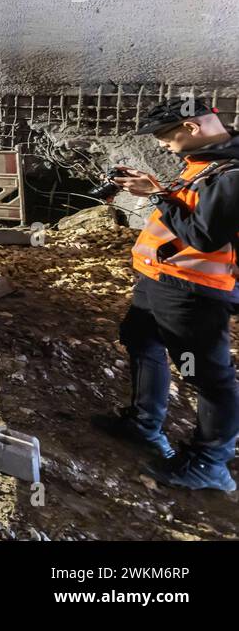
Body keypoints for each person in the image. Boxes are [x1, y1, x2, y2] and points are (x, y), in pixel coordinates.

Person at [91, 96, 239, 491]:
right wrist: (159, 188)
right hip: (162, 279)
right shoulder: (208, 162)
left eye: (165, 137)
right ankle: (144, 424)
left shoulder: (232, 173)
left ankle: (211, 463)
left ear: (191, 126)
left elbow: (204, 236)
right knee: (140, 338)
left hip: (195, 290)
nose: (162, 145)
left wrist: (155, 194)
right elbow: (192, 208)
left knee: (208, 375)